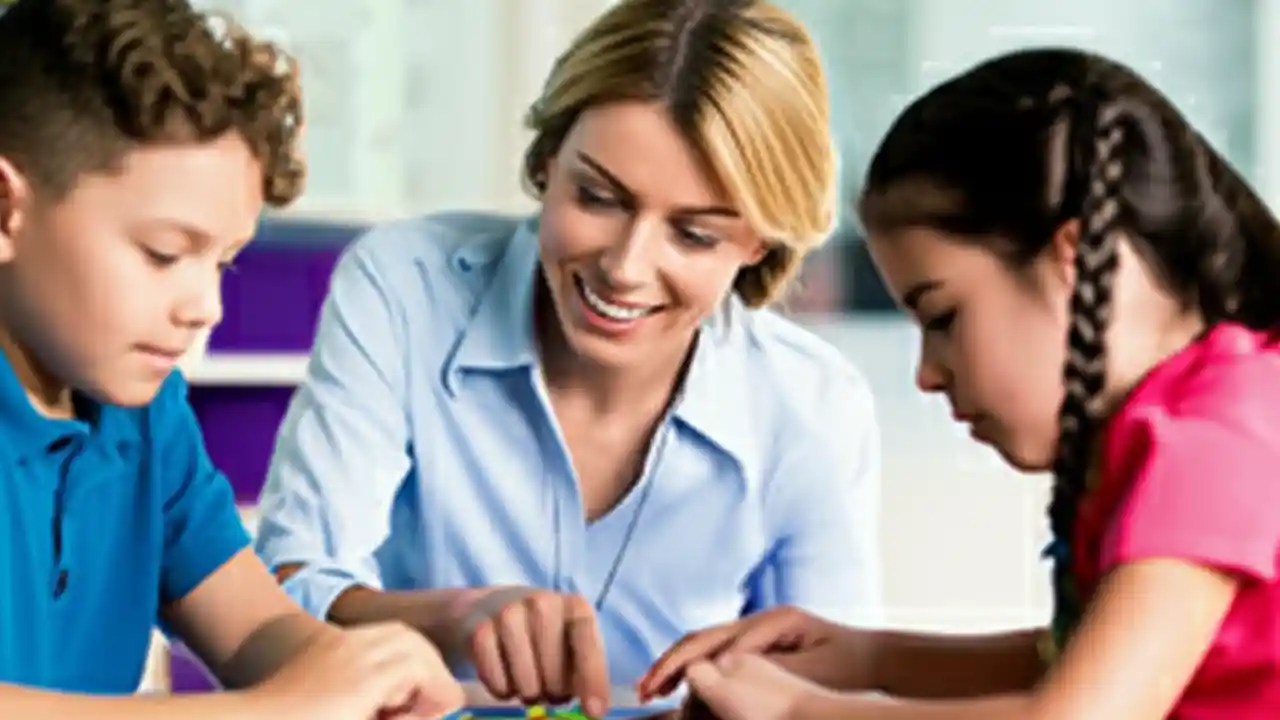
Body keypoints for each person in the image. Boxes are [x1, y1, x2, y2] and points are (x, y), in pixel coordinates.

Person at [252, 0, 883, 715]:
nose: (626, 267)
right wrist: (455, 618)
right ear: (548, 160)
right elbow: (283, 591)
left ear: (758, 243)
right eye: (598, 197)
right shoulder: (407, 286)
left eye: (695, 236)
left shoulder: (812, 405)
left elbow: (826, 679)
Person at [640, 47, 1280, 719]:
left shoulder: (1215, 437)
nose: (927, 373)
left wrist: (800, 712)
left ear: (1074, 255)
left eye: (943, 317)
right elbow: (1079, 659)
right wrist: (869, 658)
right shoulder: (1196, 414)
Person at [0, 1, 465, 718]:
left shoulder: (146, 415)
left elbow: (253, 626)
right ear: (7, 211)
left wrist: (356, 672)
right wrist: (268, 711)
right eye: (164, 254)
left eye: (224, 263)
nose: (205, 308)